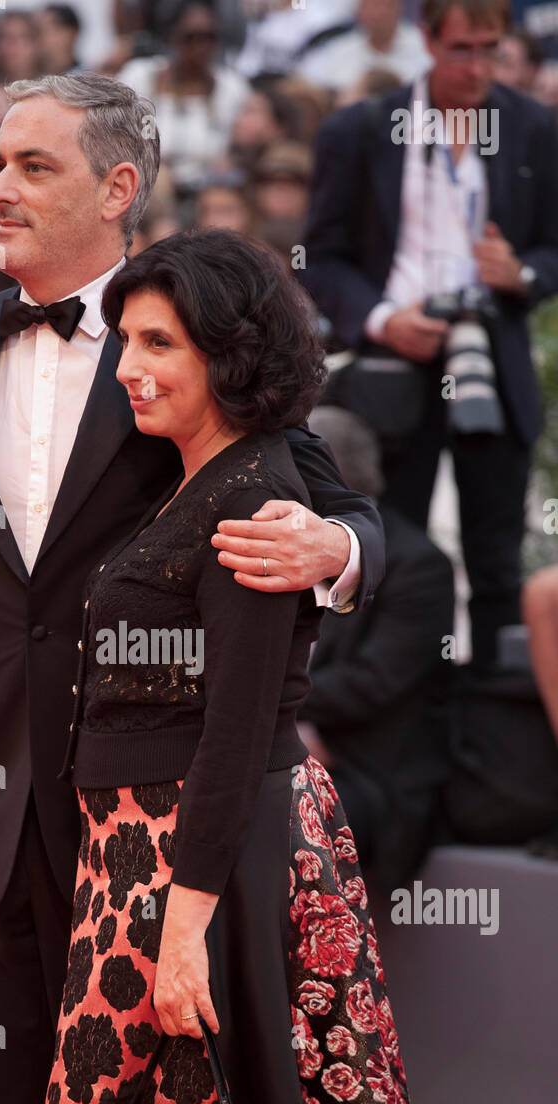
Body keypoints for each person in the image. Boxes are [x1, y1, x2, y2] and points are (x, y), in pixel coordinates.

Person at [0, 72, 385, 1104]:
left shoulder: (185, 331)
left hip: (143, 832)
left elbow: (329, 488)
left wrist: (339, 550)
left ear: (116, 188)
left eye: (33, 166)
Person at [25, 228, 451, 1104]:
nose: (128, 364)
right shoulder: (169, 456)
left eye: (158, 341)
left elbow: (235, 721)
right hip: (137, 856)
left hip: (190, 856)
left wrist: (180, 932)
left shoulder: (261, 485)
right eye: (123, 338)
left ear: (229, 349)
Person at [301, 0, 558, 668]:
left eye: (490, 49)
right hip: (393, 362)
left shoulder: (532, 127)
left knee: (496, 561)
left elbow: (552, 250)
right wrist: (385, 318)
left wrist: (522, 271)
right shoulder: (358, 131)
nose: (476, 67)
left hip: (490, 361)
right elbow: (320, 258)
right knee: (390, 551)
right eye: (460, 49)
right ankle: (391, 730)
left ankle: (489, 747)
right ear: (425, 39)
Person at [298, 406, 455, 896]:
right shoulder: (289, 546)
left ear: (328, 473)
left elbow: (373, 685)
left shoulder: (417, 565)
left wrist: (276, 715)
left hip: (371, 778)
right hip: (297, 752)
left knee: (264, 818)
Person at [116, 3, 252, 200]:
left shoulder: (232, 87)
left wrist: (231, 161)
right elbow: (116, 129)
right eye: (190, 37)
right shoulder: (140, 75)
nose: (200, 46)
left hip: (209, 186)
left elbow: (242, 144)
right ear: (173, 37)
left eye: (208, 37)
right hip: (151, 186)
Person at [297, 0, 430, 91]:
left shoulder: (424, 45)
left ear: (398, 8)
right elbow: (307, 83)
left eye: (384, 5)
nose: (377, 14)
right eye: (370, 5)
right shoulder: (339, 50)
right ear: (358, 11)